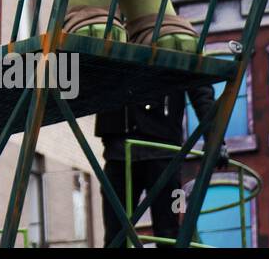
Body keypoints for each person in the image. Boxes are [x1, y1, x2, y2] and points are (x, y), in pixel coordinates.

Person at [95, 80, 227, 247]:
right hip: (125, 153)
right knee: (118, 237)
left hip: (160, 153)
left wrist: (216, 140)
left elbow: (200, 87)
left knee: (167, 233)